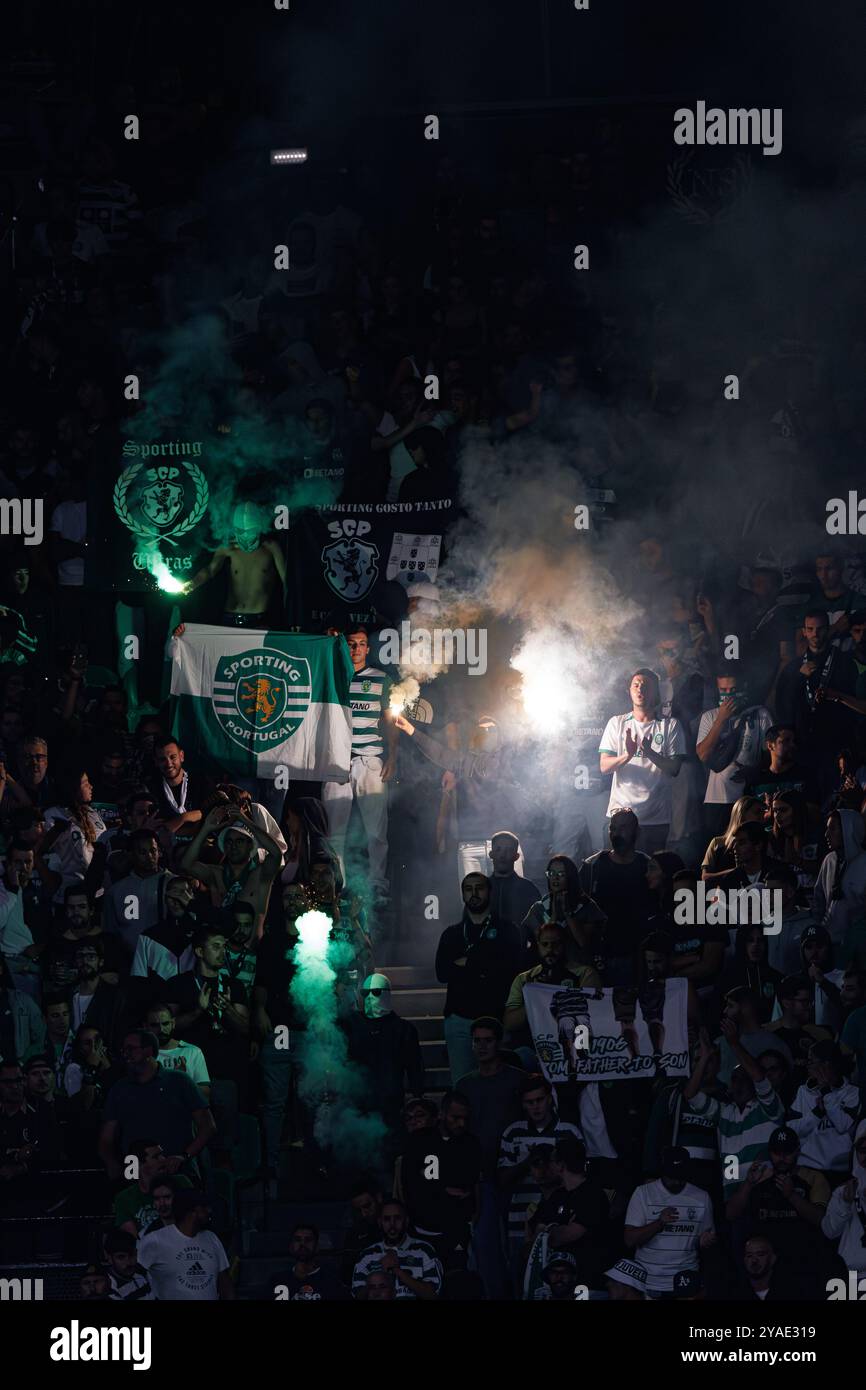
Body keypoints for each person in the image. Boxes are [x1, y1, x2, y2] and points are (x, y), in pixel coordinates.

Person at [321, 627, 396, 901]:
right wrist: (330, 643)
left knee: (376, 830)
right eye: (351, 644)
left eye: (361, 644)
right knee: (334, 831)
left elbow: (389, 719)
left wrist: (393, 756)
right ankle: (337, 885)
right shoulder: (331, 674)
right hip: (335, 761)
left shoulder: (380, 679)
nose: (355, 650)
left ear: (368, 649)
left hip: (370, 760)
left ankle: (377, 883)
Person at [497, 1073, 584, 1292]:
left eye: (540, 1100)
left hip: (560, 1225)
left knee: (561, 1286)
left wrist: (550, 1166)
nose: (536, 1106)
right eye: (529, 1102)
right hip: (520, 1223)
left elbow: (580, 1178)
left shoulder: (569, 1132)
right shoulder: (512, 1132)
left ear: (549, 1099)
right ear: (523, 1104)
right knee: (523, 1285)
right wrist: (529, 1161)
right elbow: (502, 1179)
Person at [435, 872, 522, 1083]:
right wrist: (485, 964)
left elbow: (509, 970)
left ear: (489, 892)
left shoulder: (507, 930)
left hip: (496, 1019)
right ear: (463, 895)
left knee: (500, 1084)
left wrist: (468, 963)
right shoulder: (452, 934)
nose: (474, 893)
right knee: (462, 1085)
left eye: (479, 888)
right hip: (460, 1020)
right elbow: (442, 973)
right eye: (468, 889)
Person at [97, 1029, 216, 1181]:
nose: (125, 1054)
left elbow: (208, 1127)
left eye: (131, 1049)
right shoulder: (119, 1089)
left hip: (177, 1170)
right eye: (123, 1049)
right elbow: (106, 1138)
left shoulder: (179, 1081)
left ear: (149, 1051)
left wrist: (184, 1156)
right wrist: (112, 1163)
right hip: (136, 1174)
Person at [685, 1024, 785, 1200]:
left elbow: (759, 1077)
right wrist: (705, 1056)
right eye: (734, 1079)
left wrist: (734, 1043)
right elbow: (690, 1095)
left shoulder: (769, 1107)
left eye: (745, 1078)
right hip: (734, 1197)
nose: (739, 1083)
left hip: (765, 1193)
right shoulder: (725, 1112)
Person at [598, 667, 687, 854]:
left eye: (646, 686)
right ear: (630, 691)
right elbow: (604, 766)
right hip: (620, 815)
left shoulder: (670, 725)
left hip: (655, 817)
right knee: (619, 868)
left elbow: (674, 769)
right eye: (636, 685)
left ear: (656, 691)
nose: (640, 689)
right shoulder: (617, 723)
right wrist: (627, 755)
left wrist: (649, 752)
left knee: (652, 873)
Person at [725, 1126, 832, 1274]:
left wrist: (792, 1196)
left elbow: (822, 1220)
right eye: (776, 1152)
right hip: (766, 1264)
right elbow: (731, 1215)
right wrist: (748, 1184)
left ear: (797, 1151)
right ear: (769, 1152)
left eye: (787, 1152)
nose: (782, 1157)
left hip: (803, 1259)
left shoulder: (813, 1178)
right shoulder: (760, 1177)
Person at [400, 1091, 482, 1267]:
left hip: (456, 1228)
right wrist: (441, 1189)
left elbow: (471, 1186)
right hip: (423, 1228)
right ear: (442, 1114)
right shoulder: (419, 1141)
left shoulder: (471, 1144)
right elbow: (410, 1184)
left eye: (465, 1118)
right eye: (456, 1117)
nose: (461, 1123)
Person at [623, 1145, 715, 1298]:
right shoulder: (643, 1193)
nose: (677, 1182)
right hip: (648, 1282)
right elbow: (629, 1240)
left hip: (686, 1282)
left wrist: (705, 1242)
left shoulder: (701, 1197)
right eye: (672, 1176)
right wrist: (659, 1223)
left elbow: (706, 1241)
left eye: (681, 1176)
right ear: (663, 1172)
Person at [504, 922, 601, 1060]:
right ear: (538, 945)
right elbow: (510, 1023)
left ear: (565, 945)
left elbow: (594, 1010)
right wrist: (536, 996)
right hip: (536, 1047)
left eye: (556, 944)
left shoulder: (584, 973)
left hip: (577, 1045)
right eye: (545, 944)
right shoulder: (524, 979)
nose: (550, 949)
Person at [527, 1135, 611, 1295]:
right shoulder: (557, 1196)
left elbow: (570, 1234)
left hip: (588, 1283)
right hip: (558, 1286)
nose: (549, 1166)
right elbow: (537, 1235)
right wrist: (556, 1229)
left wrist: (553, 1229)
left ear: (560, 1165)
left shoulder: (593, 1194)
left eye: (551, 1161)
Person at [181, 501, 287, 626]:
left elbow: (287, 582)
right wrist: (193, 583)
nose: (246, 536)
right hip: (230, 616)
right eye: (241, 531)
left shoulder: (270, 548)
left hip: (260, 619)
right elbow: (210, 570)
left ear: (260, 527)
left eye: (251, 530)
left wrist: (292, 618)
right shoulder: (228, 548)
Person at [578, 809, 654, 985]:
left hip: (637, 955)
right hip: (599, 954)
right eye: (613, 828)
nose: (616, 834)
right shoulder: (592, 867)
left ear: (637, 832)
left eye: (623, 828)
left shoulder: (648, 867)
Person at [696, 670, 773, 840]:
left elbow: (770, 756)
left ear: (743, 688)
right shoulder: (710, 716)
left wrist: (755, 770)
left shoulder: (761, 714)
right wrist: (721, 719)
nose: (729, 696)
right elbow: (702, 754)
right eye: (724, 690)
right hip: (717, 799)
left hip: (749, 798)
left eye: (733, 690)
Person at [343, 972, 425, 1132]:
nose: (370, 997)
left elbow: (415, 1066)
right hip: (359, 1103)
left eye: (376, 992)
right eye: (365, 993)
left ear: (386, 993)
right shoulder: (352, 1025)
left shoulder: (403, 1029)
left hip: (390, 1102)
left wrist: (417, 1094)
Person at [181, 803, 282, 933]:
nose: (233, 846)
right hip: (220, 944)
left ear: (250, 846)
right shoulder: (216, 874)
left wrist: (245, 819)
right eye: (229, 841)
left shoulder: (260, 874)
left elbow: (276, 854)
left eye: (239, 841)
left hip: (249, 946)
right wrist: (205, 829)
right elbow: (186, 865)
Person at [137, 1187, 234, 1300]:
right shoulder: (155, 1240)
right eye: (204, 1208)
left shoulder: (212, 1238)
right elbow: (131, 1274)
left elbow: (225, 1284)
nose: (209, 1211)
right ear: (192, 1211)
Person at [786, 1040, 859, 1177]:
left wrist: (826, 1094)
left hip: (840, 1173)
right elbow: (791, 1130)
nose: (807, 1066)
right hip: (805, 1169)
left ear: (827, 1064)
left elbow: (843, 1125)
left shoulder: (853, 1093)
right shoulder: (803, 1091)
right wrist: (817, 1114)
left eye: (811, 1061)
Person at [523, 855, 606, 972]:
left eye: (561, 874)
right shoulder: (539, 908)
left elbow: (584, 943)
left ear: (570, 877)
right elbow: (544, 944)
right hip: (548, 972)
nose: (555, 878)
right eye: (551, 873)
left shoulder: (587, 906)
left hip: (580, 970)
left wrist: (568, 913)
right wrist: (554, 917)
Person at [351, 1198, 443, 1300]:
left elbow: (433, 1294)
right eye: (387, 1219)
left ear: (406, 1221)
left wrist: (397, 1271)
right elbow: (357, 1296)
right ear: (380, 1222)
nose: (392, 1225)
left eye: (397, 1218)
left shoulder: (424, 1250)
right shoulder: (367, 1255)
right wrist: (376, 1280)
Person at [101, 829, 171, 960]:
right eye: (142, 852)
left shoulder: (174, 884)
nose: (150, 856)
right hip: (128, 962)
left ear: (159, 851)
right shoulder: (116, 891)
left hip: (166, 961)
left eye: (153, 850)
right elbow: (110, 933)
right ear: (131, 855)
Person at [812, 808, 866, 961]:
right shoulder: (829, 860)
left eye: (833, 828)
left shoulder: (864, 863)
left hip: (859, 946)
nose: (826, 834)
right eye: (826, 828)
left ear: (849, 829)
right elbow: (819, 899)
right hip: (827, 944)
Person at [765, 975, 831, 1091]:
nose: (810, 1006)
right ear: (786, 1003)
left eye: (811, 1001)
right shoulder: (767, 1034)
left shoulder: (820, 1034)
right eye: (804, 1002)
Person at [113, 1139, 192, 1236]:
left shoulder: (181, 1182)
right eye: (156, 1157)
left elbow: (193, 1220)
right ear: (139, 1165)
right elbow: (132, 1239)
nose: (163, 1159)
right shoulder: (125, 1198)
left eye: (162, 1154)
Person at [715, 987, 792, 1084]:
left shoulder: (773, 1043)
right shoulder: (720, 1042)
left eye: (730, 1006)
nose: (725, 1011)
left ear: (746, 1008)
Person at [821, 1119, 866, 1274]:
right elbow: (829, 1231)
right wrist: (845, 1204)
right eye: (862, 1150)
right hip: (853, 1274)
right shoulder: (843, 1191)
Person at [145, 1003, 211, 1098]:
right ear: (145, 1026)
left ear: (173, 1023)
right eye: (154, 1025)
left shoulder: (192, 1052)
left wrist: (182, 1080)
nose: (161, 1029)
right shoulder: (142, 1055)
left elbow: (205, 1094)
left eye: (165, 1023)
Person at [148, 738, 208, 835]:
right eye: (162, 759)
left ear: (181, 756)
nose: (169, 764)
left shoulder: (200, 782)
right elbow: (160, 830)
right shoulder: (151, 789)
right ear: (156, 761)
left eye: (173, 757)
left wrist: (183, 818)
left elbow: (210, 814)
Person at [278, 1224, 351, 1300]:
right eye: (298, 1240)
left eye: (308, 1240)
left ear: (317, 1246)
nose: (302, 1244)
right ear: (291, 1247)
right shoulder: (278, 1280)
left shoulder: (332, 1282)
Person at [487, 830, 541, 928]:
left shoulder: (528, 889)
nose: (503, 855)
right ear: (491, 854)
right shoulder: (483, 888)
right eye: (498, 849)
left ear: (516, 856)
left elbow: (540, 925)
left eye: (509, 850)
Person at [104, 1227, 154, 1301]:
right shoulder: (108, 1286)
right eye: (121, 1257)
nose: (128, 1262)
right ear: (110, 1259)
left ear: (136, 1253)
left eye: (131, 1255)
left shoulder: (141, 1271)